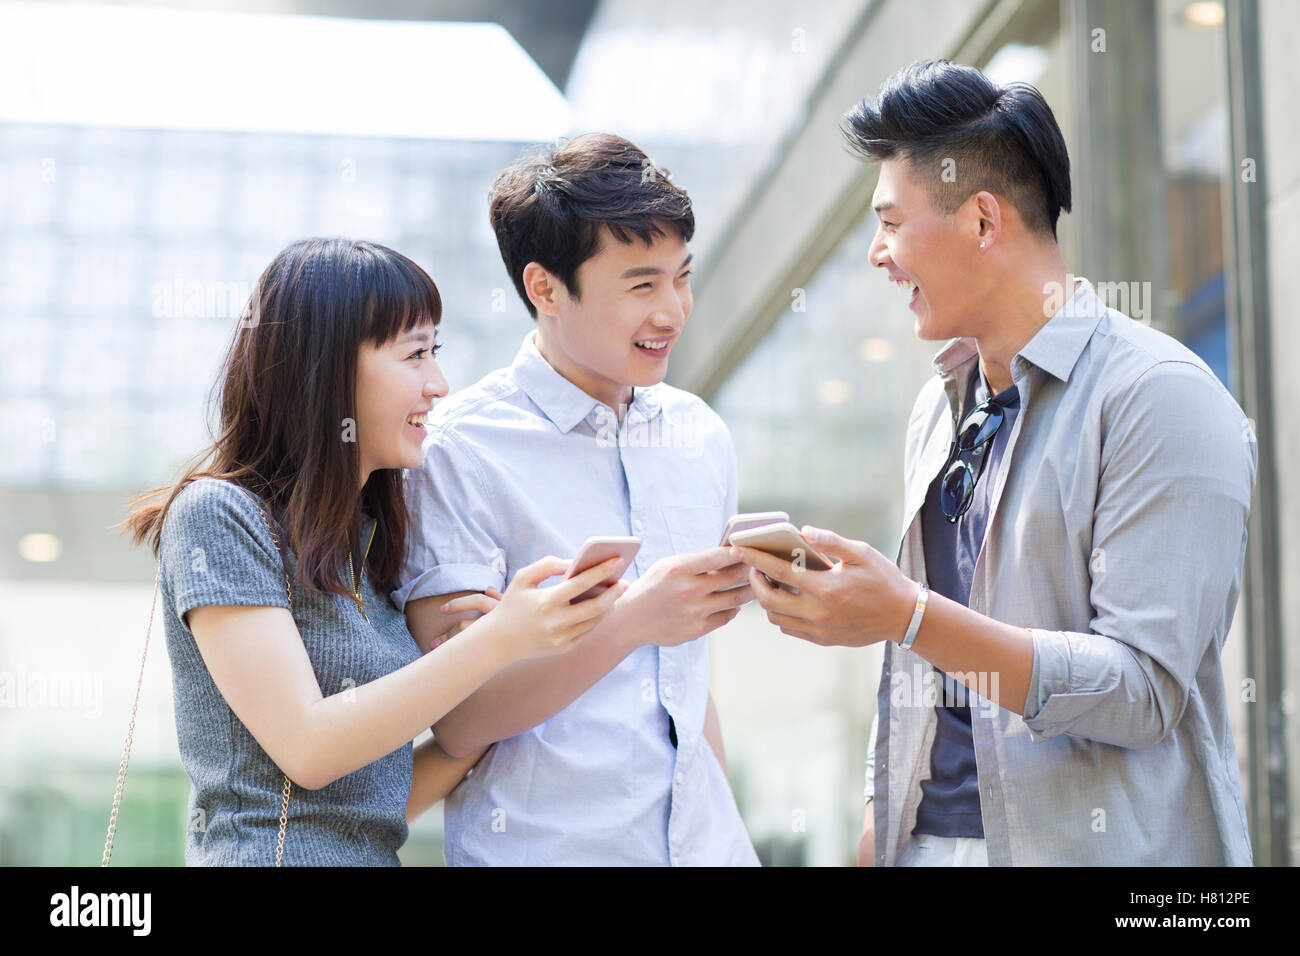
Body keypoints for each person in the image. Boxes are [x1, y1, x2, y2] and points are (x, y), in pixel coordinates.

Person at [731, 60, 1256, 866]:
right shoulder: (937, 405)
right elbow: (926, 655)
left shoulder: (1161, 397)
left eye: (891, 222)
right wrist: (884, 812)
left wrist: (907, 615)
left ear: (982, 220)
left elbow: (1144, 693)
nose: (877, 254)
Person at [124, 237, 624, 866]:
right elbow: (309, 748)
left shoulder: (370, 544)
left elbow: (374, 801)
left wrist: (491, 688)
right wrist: (496, 642)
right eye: (414, 354)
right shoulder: (219, 517)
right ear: (327, 367)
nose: (438, 384)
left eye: (434, 352)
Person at [394, 133, 759, 866]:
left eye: (682, 277)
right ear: (545, 288)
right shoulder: (458, 451)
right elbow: (462, 716)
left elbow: (685, 687)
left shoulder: (701, 435)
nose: (674, 311)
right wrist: (631, 620)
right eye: (641, 285)